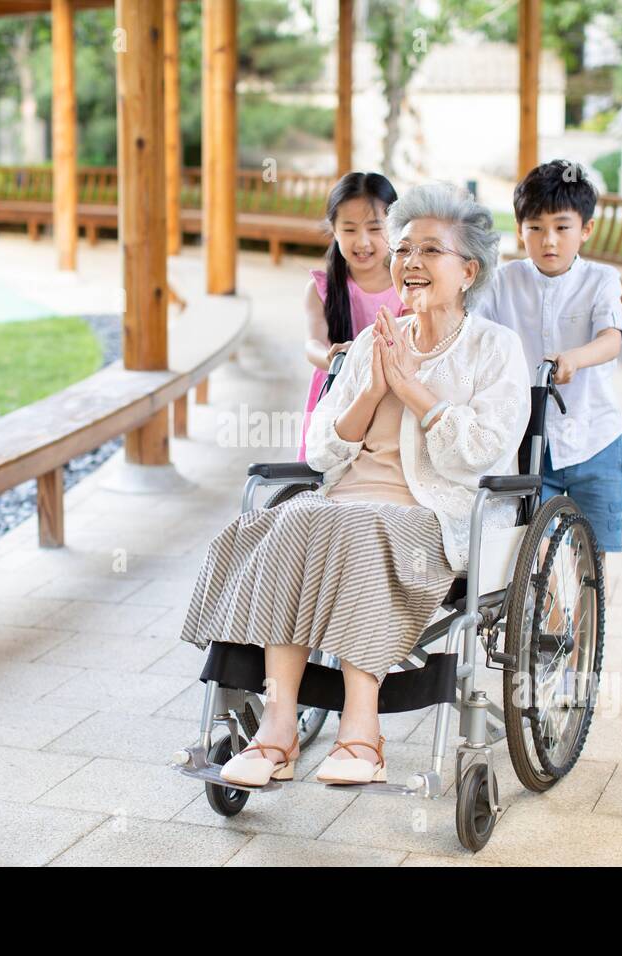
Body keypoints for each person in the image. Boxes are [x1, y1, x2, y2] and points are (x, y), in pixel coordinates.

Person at [178, 183, 530, 787]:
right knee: (289, 520)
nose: (410, 261)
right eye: (404, 248)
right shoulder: (374, 341)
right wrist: (373, 386)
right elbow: (321, 449)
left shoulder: (495, 350)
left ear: (468, 270)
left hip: (435, 514)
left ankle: (362, 733)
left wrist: (414, 390)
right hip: (347, 502)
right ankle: (277, 727)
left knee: (356, 527)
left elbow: (483, 453)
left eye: (430, 250)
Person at [476, 159, 622, 554]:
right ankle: (544, 617)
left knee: (589, 560)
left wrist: (575, 358)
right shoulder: (503, 281)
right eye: (536, 229)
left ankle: (588, 618)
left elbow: (611, 337)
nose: (549, 241)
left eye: (562, 228)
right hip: (530, 444)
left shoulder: (601, 280)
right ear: (519, 229)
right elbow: (470, 327)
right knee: (533, 557)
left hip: (596, 440)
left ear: (586, 229)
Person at [298, 172, 406, 462]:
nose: (363, 242)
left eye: (375, 229)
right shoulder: (321, 288)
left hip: (390, 403)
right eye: (349, 229)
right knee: (327, 473)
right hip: (334, 393)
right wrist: (333, 358)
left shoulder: (407, 287)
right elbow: (313, 344)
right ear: (332, 229)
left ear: (394, 228)